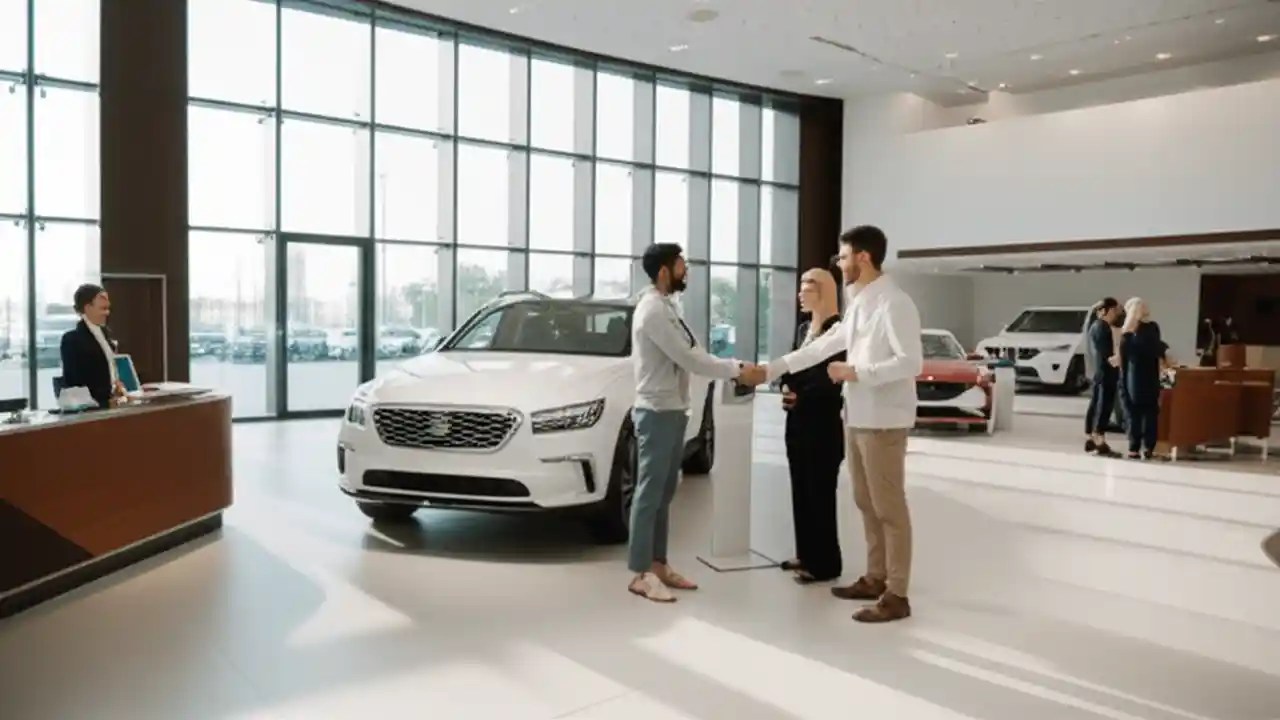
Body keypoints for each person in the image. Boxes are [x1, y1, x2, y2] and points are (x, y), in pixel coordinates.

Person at [745, 225, 923, 623]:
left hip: (884, 422)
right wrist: (771, 369)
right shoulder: (860, 303)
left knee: (889, 508)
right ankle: (875, 577)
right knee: (866, 502)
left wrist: (856, 372)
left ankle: (897, 594)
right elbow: (822, 346)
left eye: (842, 257)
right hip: (857, 418)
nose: (839, 264)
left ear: (863, 257)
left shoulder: (895, 303)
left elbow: (911, 362)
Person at [627, 243, 752, 603]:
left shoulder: (668, 306)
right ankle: (640, 573)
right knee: (649, 494)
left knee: (665, 493)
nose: (686, 272)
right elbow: (690, 358)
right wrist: (736, 369)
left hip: (673, 409)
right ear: (664, 271)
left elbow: (693, 353)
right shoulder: (653, 311)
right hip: (656, 412)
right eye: (681, 266)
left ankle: (659, 564)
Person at [777, 266, 846, 584]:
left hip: (822, 424)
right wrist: (785, 387)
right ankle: (805, 553)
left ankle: (825, 563)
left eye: (807, 289)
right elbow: (791, 367)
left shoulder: (838, 333)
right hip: (798, 422)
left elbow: (829, 379)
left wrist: (801, 395)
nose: (800, 295)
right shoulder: (805, 328)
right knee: (800, 489)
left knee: (820, 494)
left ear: (824, 292)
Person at [60, 283, 125, 408]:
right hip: (92, 408)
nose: (107, 313)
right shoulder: (72, 340)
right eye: (103, 309)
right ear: (88, 308)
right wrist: (103, 403)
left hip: (113, 402)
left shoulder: (106, 334)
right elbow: (75, 382)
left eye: (108, 308)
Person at [1119, 297, 1166, 460]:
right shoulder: (1152, 328)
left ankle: (1134, 447)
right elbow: (1157, 350)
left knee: (1133, 413)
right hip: (1150, 375)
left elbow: (1123, 359)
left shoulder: (1127, 333)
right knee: (1150, 412)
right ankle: (1149, 447)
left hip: (1132, 376)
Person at [1084, 297, 1121, 457]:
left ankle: (1091, 437)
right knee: (1103, 405)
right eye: (1115, 310)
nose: (1117, 314)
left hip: (1100, 371)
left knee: (1096, 402)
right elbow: (1107, 354)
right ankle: (1098, 439)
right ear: (1107, 310)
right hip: (1106, 372)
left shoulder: (1096, 326)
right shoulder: (1102, 327)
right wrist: (1118, 360)